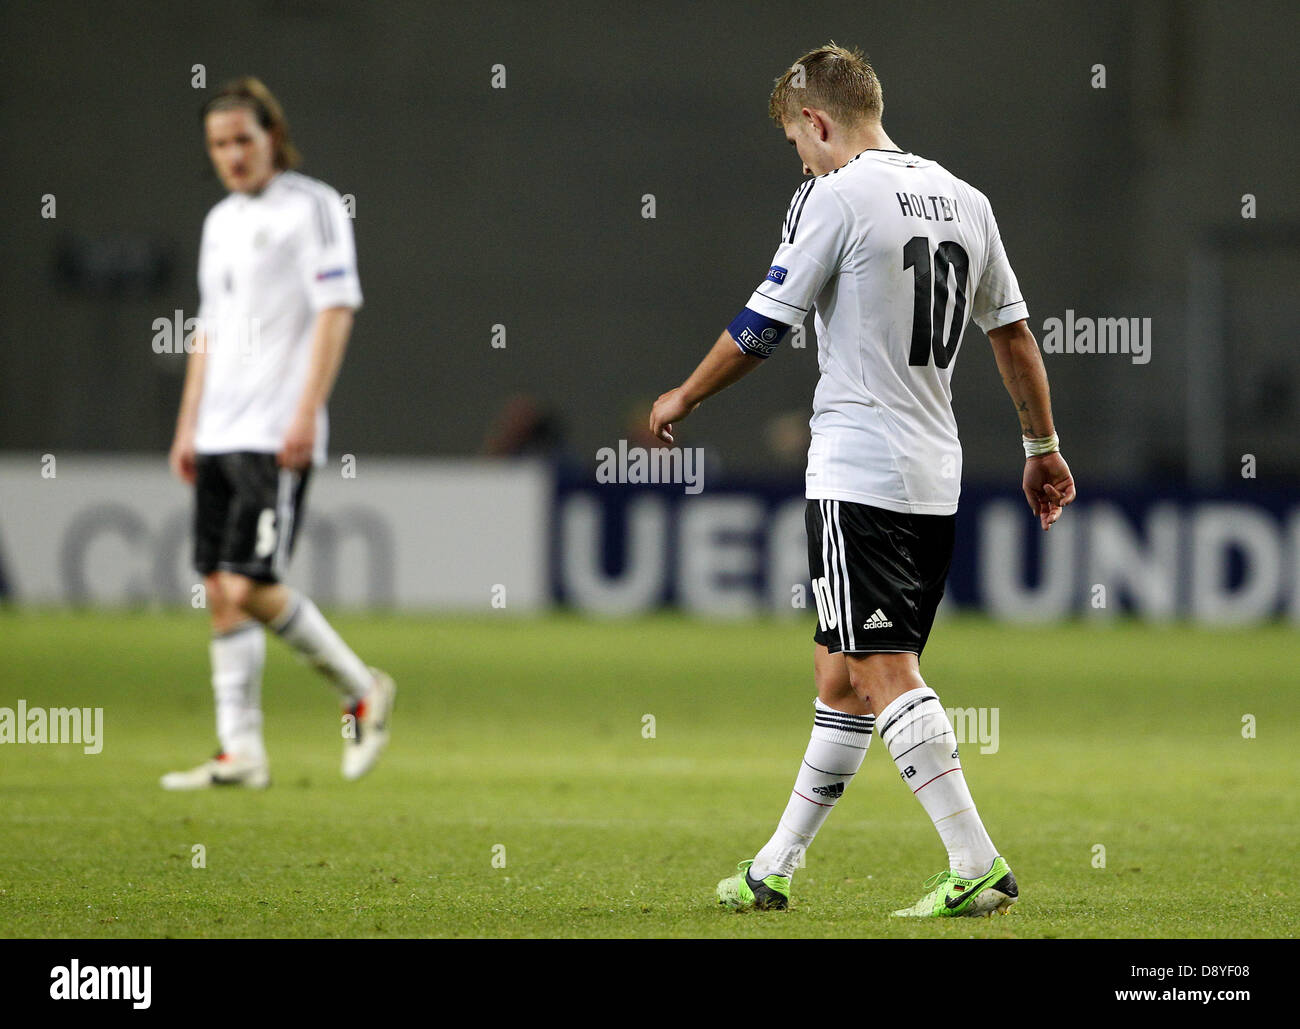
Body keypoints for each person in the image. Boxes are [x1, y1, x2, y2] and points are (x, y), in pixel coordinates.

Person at [649, 44, 1075, 917]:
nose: (797, 160)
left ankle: (976, 862)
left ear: (816, 122)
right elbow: (1015, 335)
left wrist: (685, 394)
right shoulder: (967, 199)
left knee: (881, 666)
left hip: (858, 469)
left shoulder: (833, 196)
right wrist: (1042, 445)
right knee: (840, 671)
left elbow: (765, 324)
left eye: (795, 142)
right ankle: (774, 865)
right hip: (934, 471)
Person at [164, 77, 394, 790]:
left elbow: (336, 308)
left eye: (243, 139)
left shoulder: (313, 207)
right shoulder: (221, 221)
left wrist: (304, 411)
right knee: (219, 587)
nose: (232, 155)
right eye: (219, 144)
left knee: (253, 581)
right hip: (219, 428)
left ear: (272, 137)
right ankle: (241, 750)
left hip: (273, 429)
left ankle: (362, 689)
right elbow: (208, 329)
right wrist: (187, 424)